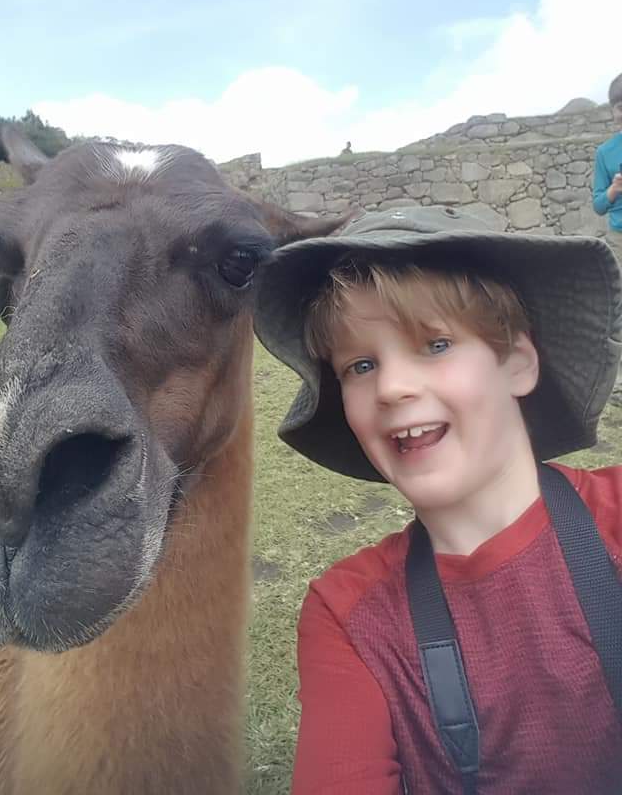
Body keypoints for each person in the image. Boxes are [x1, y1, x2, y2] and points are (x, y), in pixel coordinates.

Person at [254, 205, 622, 794]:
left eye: (437, 344)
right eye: (361, 365)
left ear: (518, 364)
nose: (393, 387)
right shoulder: (348, 614)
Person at [592, 71, 622, 262]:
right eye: (620, 107)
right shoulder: (604, 152)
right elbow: (598, 205)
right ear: (613, 111)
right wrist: (614, 189)